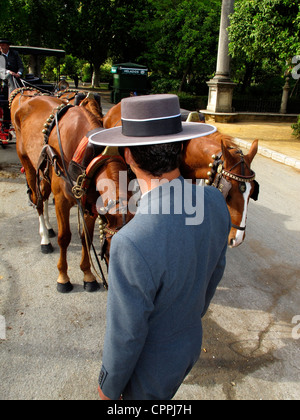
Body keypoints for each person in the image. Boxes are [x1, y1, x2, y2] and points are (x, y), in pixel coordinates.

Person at [89, 94, 231, 400]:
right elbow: (213, 275)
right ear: (180, 148)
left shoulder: (130, 241)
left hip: (149, 370)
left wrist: (108, 387)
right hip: (189, 344)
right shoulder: (214, 201)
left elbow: (126, 335)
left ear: (126, 156)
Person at [0, 38, 24, 127]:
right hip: (3, 76)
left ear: (7, 46)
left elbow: (21, 66)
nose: (1, 47)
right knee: (9, 76)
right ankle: (12, 96)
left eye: (3, 45)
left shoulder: (15, 54)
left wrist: (19, 73)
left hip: (15, 78)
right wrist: (8, 72)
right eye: (0, 45)